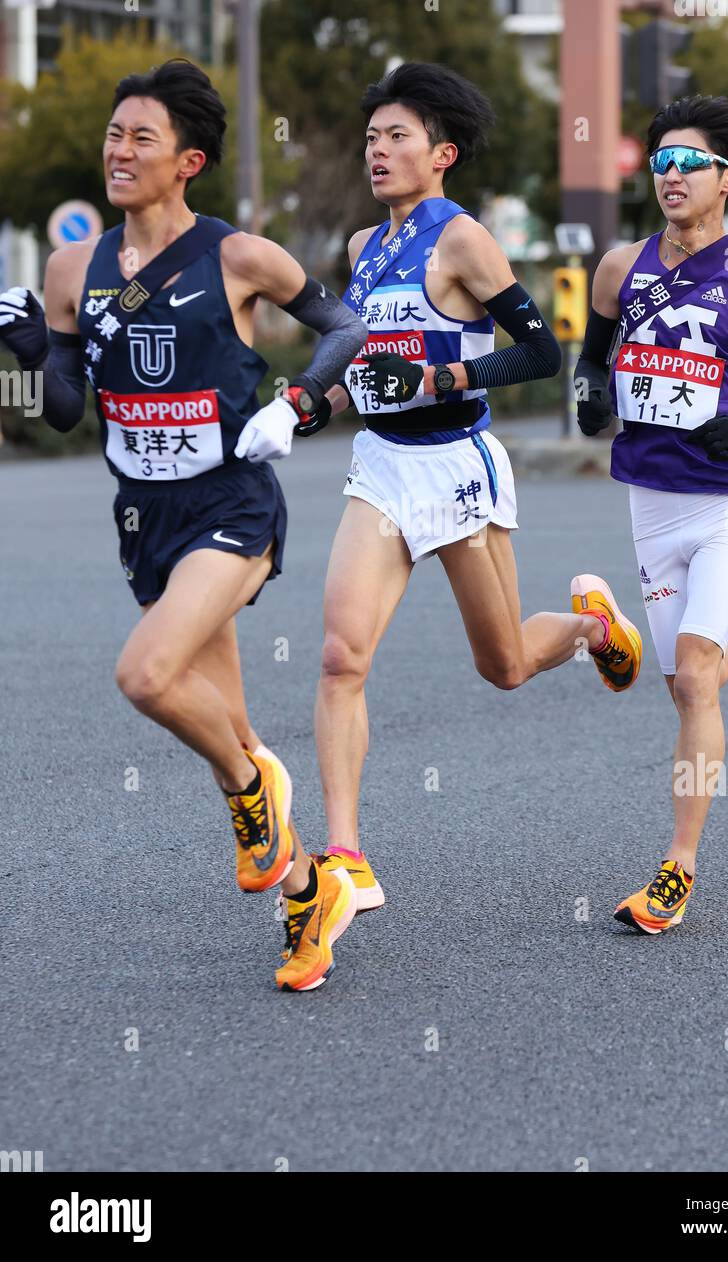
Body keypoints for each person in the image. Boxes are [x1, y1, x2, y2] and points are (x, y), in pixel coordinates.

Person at [0, 58, 370, 989]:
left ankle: (260, 794)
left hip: (230, 504)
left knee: (146, 674)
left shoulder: (236, 256)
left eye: (142, 139)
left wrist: (300, 404)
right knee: (227, 729)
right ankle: (309, 894)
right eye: (115, 135)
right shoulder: (69, 269)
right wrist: (23, 344)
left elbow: (348, 328)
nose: (119, 152)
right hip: (142, 518)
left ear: (188, 161)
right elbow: (61, 410)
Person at [287, 61, 642, 908]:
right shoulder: (362, 250)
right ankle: (347, 859)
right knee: (341, 657)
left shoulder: (462, 240)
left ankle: (594, 628)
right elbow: (366, 367)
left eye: (396, 137)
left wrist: (448, 378)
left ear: (441, 153)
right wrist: (314, 402)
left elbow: (540, 352)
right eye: (371, 138)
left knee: (507, 664)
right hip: (380, 468)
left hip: (455, 469)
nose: (377, 151)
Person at [574, 94, 728, 934]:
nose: (670, 176)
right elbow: (588, 361)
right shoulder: (620, 267)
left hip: (725, 504)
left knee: (691, 680)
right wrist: (586, 399)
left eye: (689, 164)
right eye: (660, 162)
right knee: (695, 681)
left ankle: (676, 870)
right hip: (651, 499)